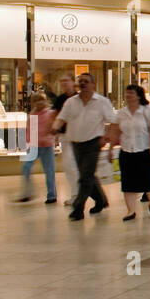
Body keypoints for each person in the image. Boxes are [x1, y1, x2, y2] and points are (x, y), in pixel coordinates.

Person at [52, 73, 117, 220]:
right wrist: (55, 128)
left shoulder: (102, 102)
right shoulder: (71, 102)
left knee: (85, 177)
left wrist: (107, 137)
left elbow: (113, 121)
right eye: (80, 81)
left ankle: (78, 208)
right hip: (75, 144)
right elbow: (61, 118)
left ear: (93, 84)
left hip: (93, 143)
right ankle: (101, 200)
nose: (82, 84)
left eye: (86, 81)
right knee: (86, 176)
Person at [114, 84, 150, 220]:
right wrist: (111, 147)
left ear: (138, 95)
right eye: (127, 93)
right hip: (126, 151)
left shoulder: (148, 110)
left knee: (148, 180)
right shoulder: (122, 112)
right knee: (128, 182)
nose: (128, 96)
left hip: (144, 150)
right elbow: (116, 130)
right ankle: (131, 211)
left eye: (131, 93)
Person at [17, 93, 57, 204]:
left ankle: (52, 195)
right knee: (25, 168)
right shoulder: (32, 115)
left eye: (40, 100)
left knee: (49, 172)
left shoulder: (50, 113)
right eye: (36, 101)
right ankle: (27, 193)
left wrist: (51, 138)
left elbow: (55, 127)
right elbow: (28, 131)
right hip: (33, 146)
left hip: (47, 146)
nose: (38, 103)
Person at [52, 75, 79, 205]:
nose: (64, 83)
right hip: (66, 136)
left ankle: (80, 195)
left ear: (73, 82)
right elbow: (57, 116)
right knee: (69, 166)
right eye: (62, 81)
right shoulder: (60, 99)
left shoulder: (80, 98)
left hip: (80, 136)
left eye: (66, 80)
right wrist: (55, 133)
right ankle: (75, 194)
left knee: (77, 167)